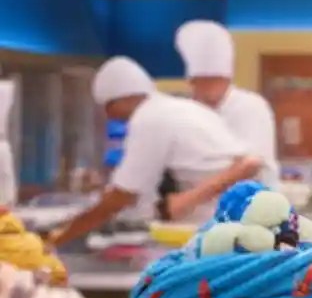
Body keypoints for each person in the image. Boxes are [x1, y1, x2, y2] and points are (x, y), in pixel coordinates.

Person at [45, 57, 262, 248]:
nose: (110, 116)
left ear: (122, 99)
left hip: (216, 223)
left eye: (108, 107)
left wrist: (59, 237)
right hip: (235, 218)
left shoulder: (149, 119)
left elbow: (122, 196)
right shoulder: (178, 107)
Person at [176, 20, 280, 188]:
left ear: (227, 79)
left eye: (214, 80)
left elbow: (250, 166)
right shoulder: (186, 112)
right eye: (201, 81)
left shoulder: (251, 107)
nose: (207, 88)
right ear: (191, 82)